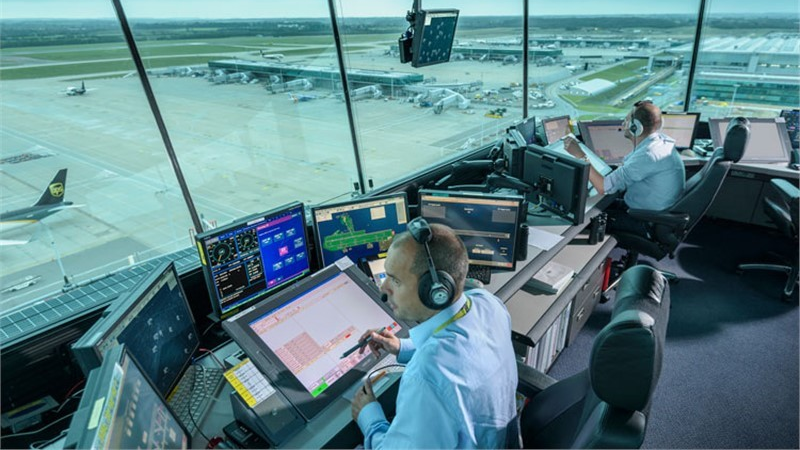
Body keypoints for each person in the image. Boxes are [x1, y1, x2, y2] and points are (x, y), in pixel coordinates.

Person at [351, 221, 518, 449]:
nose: (383, 289)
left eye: (395, 281)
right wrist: (402, 347)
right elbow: (463, 355)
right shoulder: (488, 304)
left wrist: (369, 418)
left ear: (434, 291)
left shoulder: (426, 375)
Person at [563, 100, 685, 234]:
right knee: (592, 206)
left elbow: (603, 187)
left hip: (645, 220)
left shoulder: (648, 155)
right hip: (652, 211)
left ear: (636, 127)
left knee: (582, 219)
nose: (623, 124)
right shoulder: (660, 143)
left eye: (626, 121)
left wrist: (580, 155)